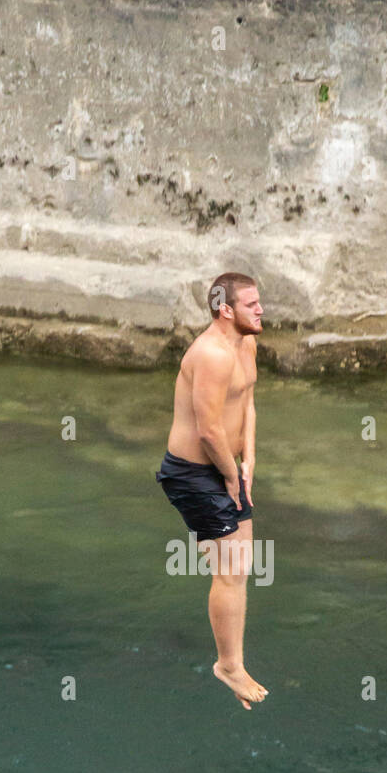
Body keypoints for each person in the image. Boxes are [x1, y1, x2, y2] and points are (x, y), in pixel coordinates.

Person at [156, 272, 268, 709]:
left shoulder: (247, 345)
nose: (261, 311)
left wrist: (249, 460)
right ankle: (228, 666)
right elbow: (208, 430)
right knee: (231, 569)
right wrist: (228, 475)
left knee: (240, 566)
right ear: (226, 309)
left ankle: (233, 663)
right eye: (252, 304)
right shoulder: (212, 355)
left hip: (226, 467)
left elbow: (249, 403)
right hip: (193, 472)